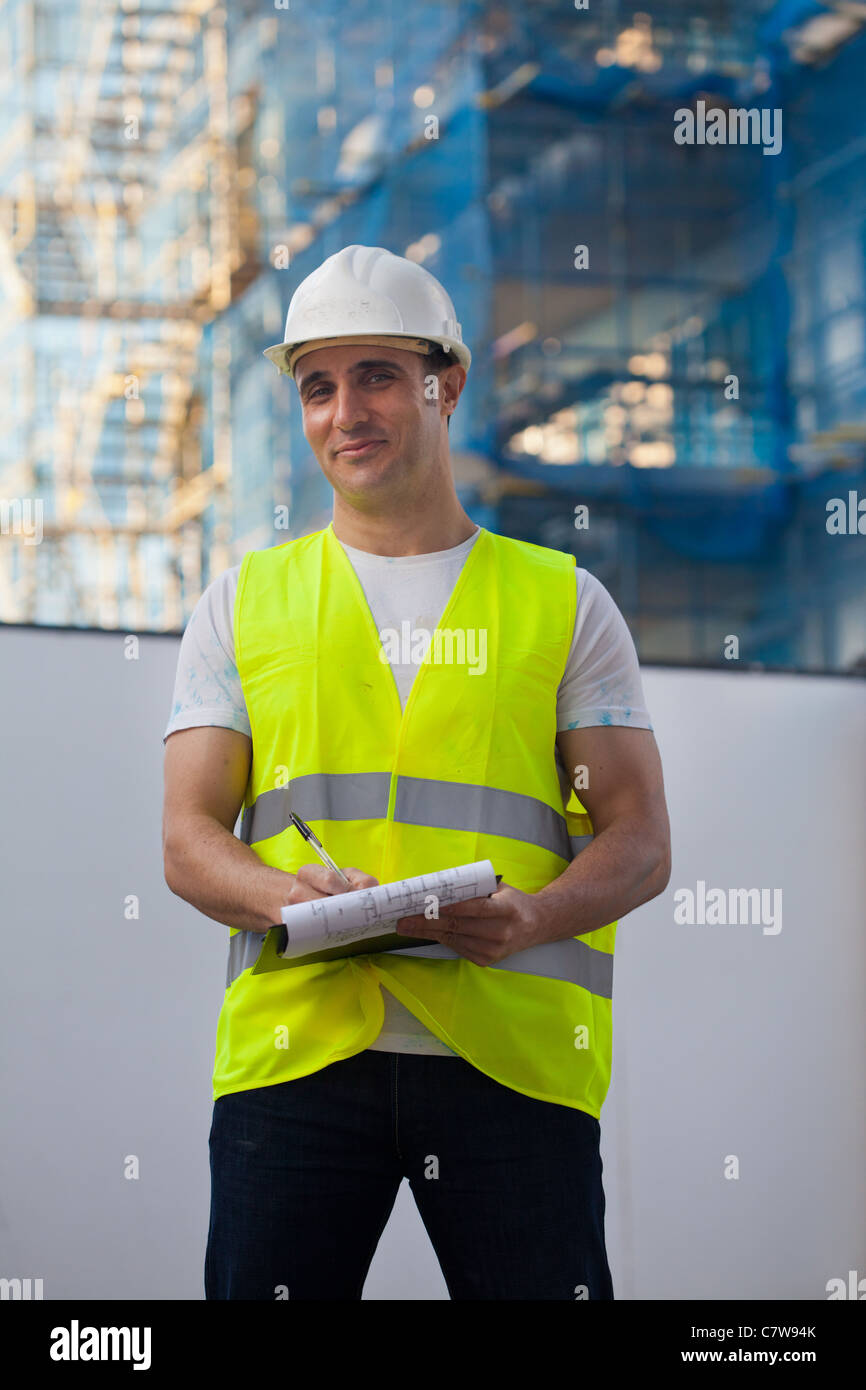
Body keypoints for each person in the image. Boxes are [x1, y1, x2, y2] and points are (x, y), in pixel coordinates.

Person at [162, 244, 671, 1301]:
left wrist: (532, 917)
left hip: (511, 1065)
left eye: (378, 375)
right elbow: (186, 837)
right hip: (298, 1061)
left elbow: (636, 837)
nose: (344, 409)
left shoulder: (562, 603)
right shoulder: (240, 602)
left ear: (448, 383)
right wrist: (279, 894)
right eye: (317, 385)